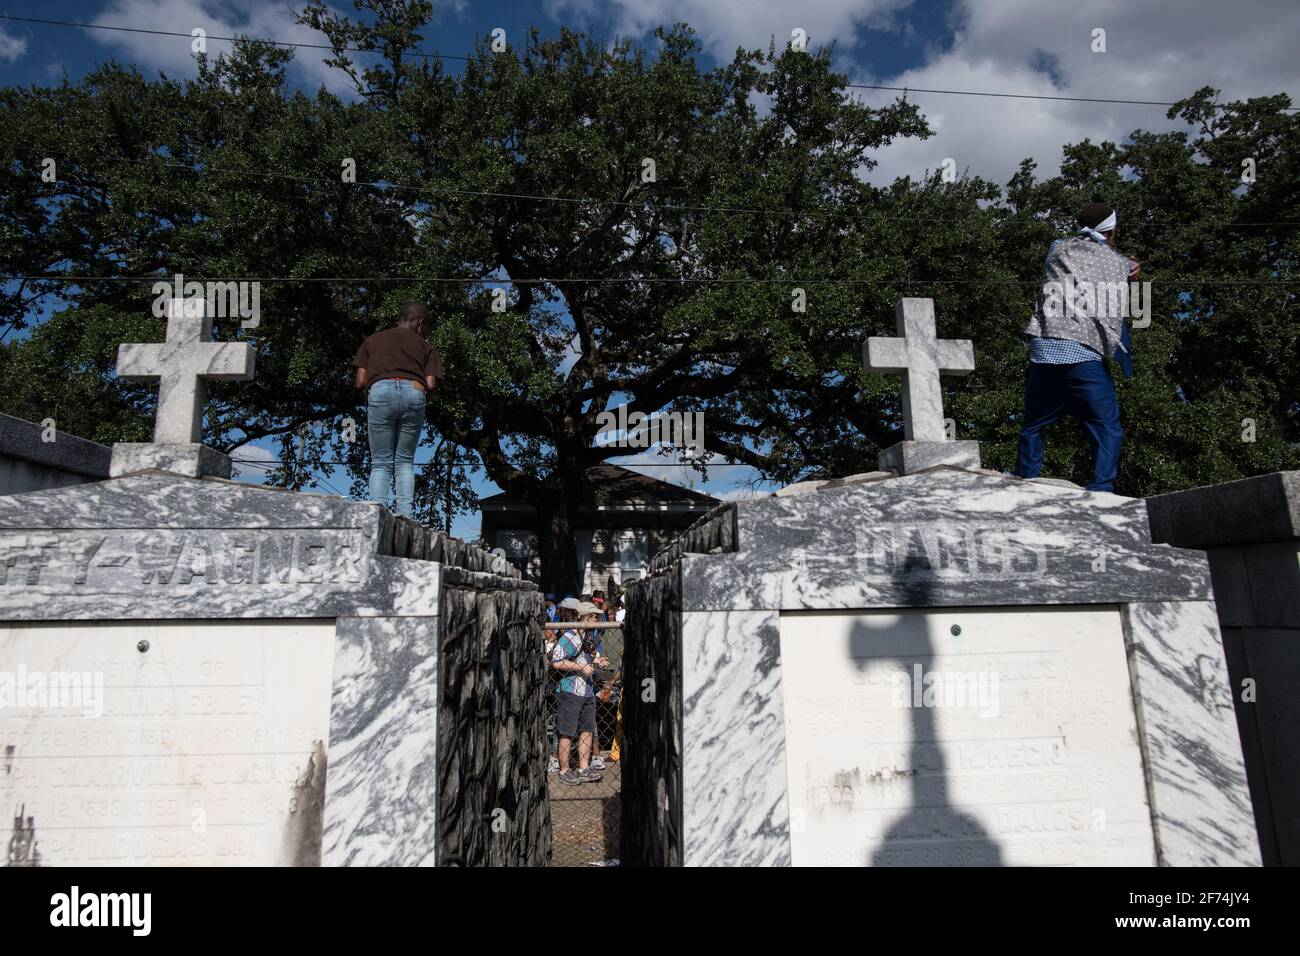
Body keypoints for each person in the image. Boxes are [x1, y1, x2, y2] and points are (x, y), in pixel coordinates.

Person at [1017, 203, 1139, 493]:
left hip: (1045, 351)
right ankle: (1101, 489)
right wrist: (1134, 266)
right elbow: (1130, 270)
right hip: (1084, 355)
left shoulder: (1057, 249)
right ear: (1110, 231)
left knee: (1034, 424)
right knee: (1106, 426)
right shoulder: (1118, 263)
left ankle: (1024, 479)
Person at [352, 302, 443, 517]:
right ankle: (405, 515)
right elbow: (430, 384)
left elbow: (360, 381)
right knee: (404, 461)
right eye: (426, 326)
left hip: (380, 391)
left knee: (381, 462)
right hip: (414, 392)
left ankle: (377, 515)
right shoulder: (426, 347)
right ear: (420, 322)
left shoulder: (372, 340)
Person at [551, 601, 605, 785]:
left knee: (587, 729)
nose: (597, 618)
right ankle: (564, 770)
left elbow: (587, 657)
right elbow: (557, 661)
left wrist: (597, 661)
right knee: (567, 732)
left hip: (587, 690)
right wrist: (581, 667)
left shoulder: (588, 636)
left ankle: (584, 767)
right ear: (586, 617)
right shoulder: (571, 636)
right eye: (594, 616)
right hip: (570, 690)